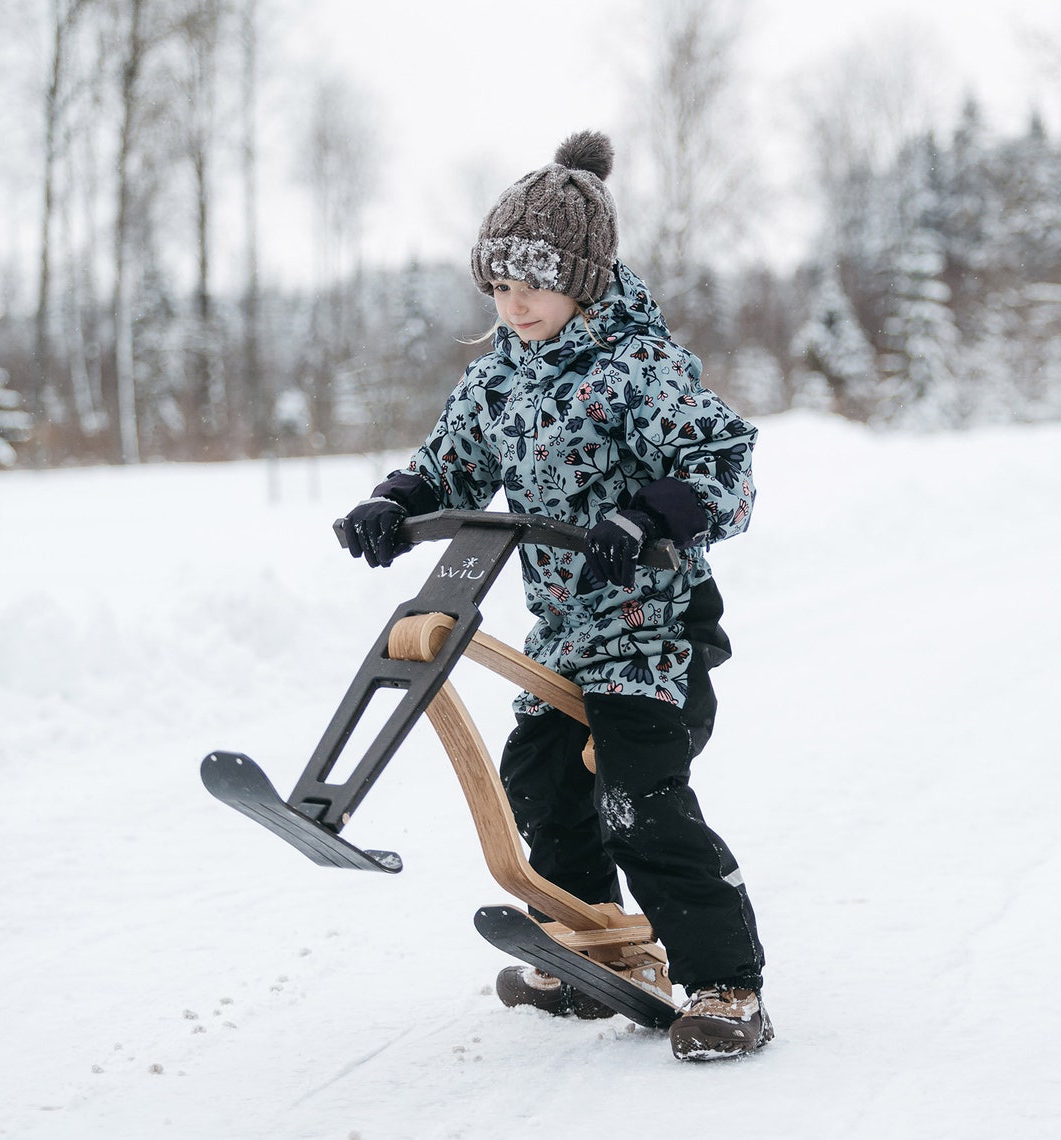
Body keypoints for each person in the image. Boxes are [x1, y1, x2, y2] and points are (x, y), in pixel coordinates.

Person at [339, 131, 771, 1061]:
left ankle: (727, 981)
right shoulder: (498, 375)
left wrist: (650, 517)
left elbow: (723, 463)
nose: (514, 303)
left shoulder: (638, 368)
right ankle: (601, 943)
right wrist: (396, 502)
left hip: (656, 629)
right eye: (498, 286)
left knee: (637, 797)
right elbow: (452, 463)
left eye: (533, 282)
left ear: (585, 276)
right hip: (569, 632)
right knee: (539, 780)